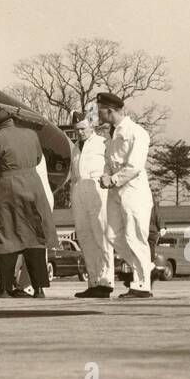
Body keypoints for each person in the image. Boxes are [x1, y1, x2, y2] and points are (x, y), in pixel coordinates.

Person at [0, 107, 57, 298]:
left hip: (9, 188)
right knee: (35, 236)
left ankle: (4, 289)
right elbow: (37, 158)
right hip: (33, 184)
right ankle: (38, 289)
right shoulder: (31, 135)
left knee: (7, 235)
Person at [95, 92, 154, 299]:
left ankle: (142, 284)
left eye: (100, 109)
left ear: (110, 110)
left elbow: (135, 166)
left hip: (133, 190)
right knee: (113, 235)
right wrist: (105, 174)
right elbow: (109, 160)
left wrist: (112, 179)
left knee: (134, 235)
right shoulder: (112, 134)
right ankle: (145, 267)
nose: (98, 113)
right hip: (115, 190)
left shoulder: (136, 132)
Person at [69, 113, 113, 298]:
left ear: (91, 126)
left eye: (83, 128)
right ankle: (93, 281)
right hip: (79, 188)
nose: (80, 132)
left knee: (101, 234)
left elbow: (111, 165)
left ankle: (106, 280)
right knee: (85, 236)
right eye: (77, 129)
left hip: (97, 188)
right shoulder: (76, 148)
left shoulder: (103, 143)